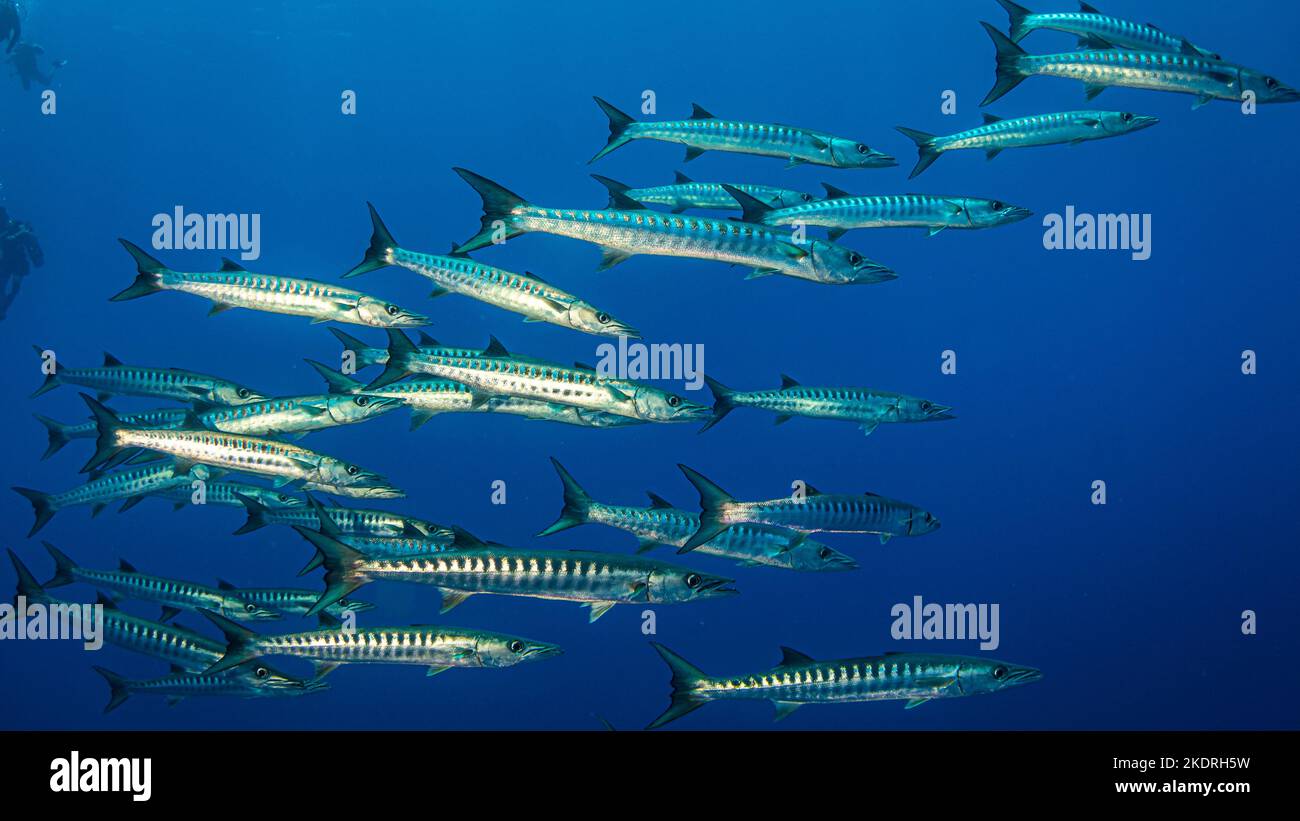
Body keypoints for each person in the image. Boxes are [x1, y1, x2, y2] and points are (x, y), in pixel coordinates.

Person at [0, 207, 45, 320]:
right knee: (11, 288)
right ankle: (2, 309)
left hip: (14, 264)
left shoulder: (18, 228)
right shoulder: (17, 228)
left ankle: (2, 309)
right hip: (9, 264)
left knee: (11, 288)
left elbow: (37, 257)